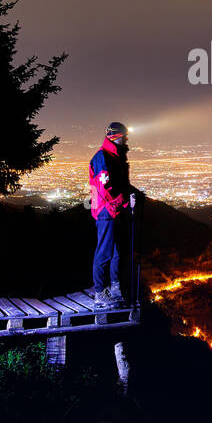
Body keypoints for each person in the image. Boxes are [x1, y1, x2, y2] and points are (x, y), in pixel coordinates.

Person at [88, 121, 141, 308]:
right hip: (106, 211)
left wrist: (130, 196)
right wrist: (123, 201)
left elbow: (118, 184)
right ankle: (100, 292)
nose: (126, 138)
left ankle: (115, 287)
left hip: (115, 210)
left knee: (118, 251)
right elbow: (105, 187)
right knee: (104, 251)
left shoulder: (115, 157)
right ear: (116, 136)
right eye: (124, 135)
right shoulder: (103, 157)